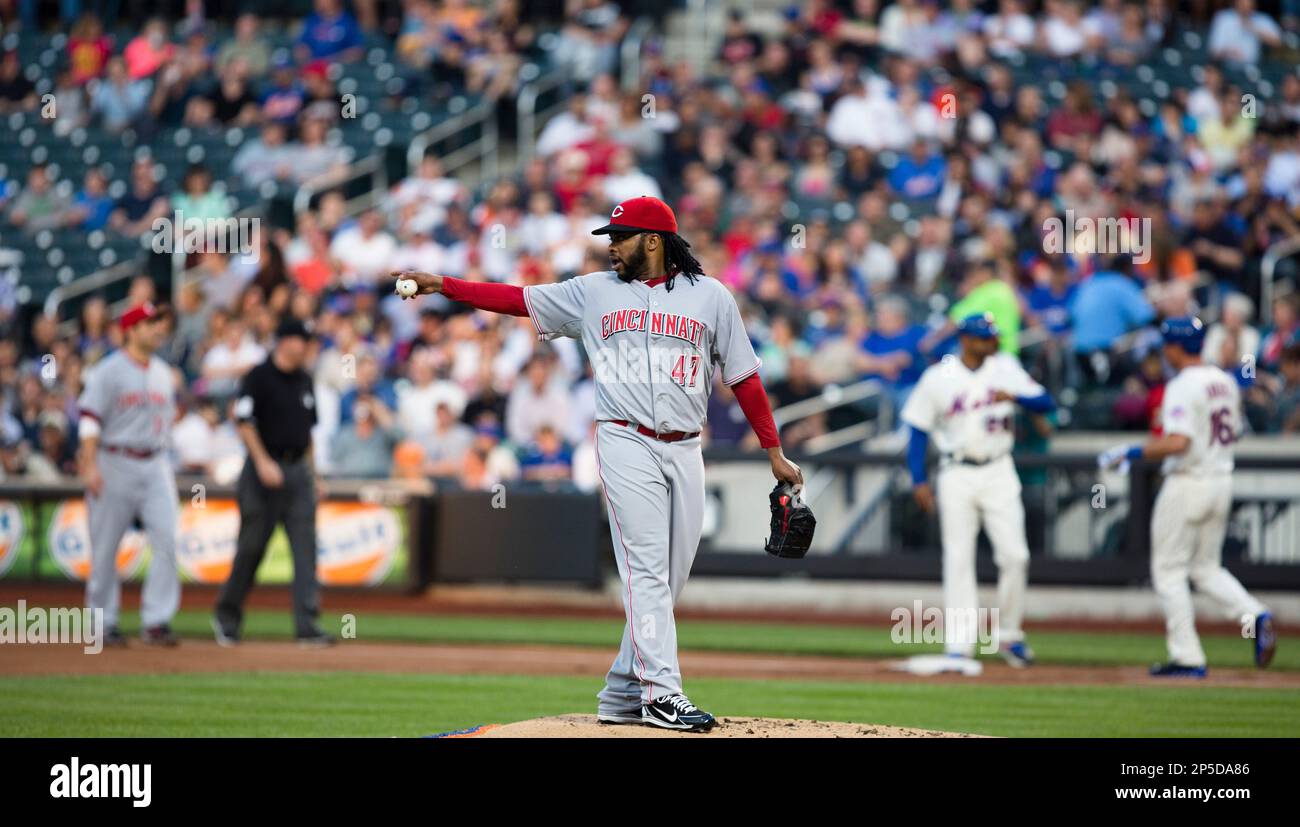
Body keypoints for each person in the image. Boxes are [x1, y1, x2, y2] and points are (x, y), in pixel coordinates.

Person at [394, 195, 802, 732]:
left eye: (621, 237)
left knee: (669, 579)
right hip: (624, 441)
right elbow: (516, 298)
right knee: (648, 569)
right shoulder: (592, 292)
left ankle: (619, 694)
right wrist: (444, 285)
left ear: (653, 242)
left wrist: (773, 450)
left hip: (686, 448)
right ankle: (661, 693)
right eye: (610, 237)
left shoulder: (712, 298)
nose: (611, 246)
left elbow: (744, 377)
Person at [1098, 317, 1276, 677]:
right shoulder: (1224, 380)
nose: (1165, 351)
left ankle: (1187, 656)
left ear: (1176, 347)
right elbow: (1233, 432)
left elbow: (1179, 442)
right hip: (1220, 479)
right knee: (1205, 568)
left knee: (1168, 571)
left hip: (1188, 480)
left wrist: (1131, 453)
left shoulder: (1182, 385)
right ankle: (1254, 615)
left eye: (1167, 345)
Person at [902, 313, 1056, 672]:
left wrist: (1015, 395)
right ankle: (959, 644)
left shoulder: (1005, 367)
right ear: (966, 340)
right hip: (956, 471)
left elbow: (1046, 403)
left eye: (994, 336)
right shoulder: (939, 376)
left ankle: (1010, 634)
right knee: (959, 559)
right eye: (985, 337)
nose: (993, 342)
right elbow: (917, 431)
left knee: (1015, 555)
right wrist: (918, 480)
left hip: (999, 468)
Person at [213, 319, 332, 647]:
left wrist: (315, 475)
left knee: (306, 551)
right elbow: (245, 422)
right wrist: (263, 461)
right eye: (299, 339)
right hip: (261, 472)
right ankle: (227, 617)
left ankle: (307, 626)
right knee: (251, 548)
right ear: (283, 341)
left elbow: (308, 434)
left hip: (297, 472)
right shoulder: (259, 376)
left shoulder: (304, 381)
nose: (304, 346)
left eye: (306, 341)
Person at [76, 303, 181, 647]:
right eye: (149, 324)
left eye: (158, 323)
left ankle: (156, 620)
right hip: (114, 458)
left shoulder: (164, 372)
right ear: (130, 330)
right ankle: (102, 622)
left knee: (167, 539)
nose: (157, 329)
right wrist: (90, 465)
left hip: (155, 462)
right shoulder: (107, 371)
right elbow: (90, 420)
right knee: (106, 547)